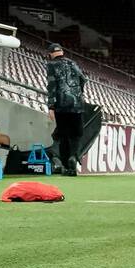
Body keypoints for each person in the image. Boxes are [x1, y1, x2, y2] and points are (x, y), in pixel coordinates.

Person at [46, 42, 86, 176]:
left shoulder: (51, 65)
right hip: (77, 105)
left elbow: (51, 86)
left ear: (51, 54)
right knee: (76, 134)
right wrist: (78, 93)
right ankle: (74, 158)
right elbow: (83, 79)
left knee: (63, 135)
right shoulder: (72, 63)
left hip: (62, 106)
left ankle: (65, 166)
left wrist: (51, 106)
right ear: (62, 52)